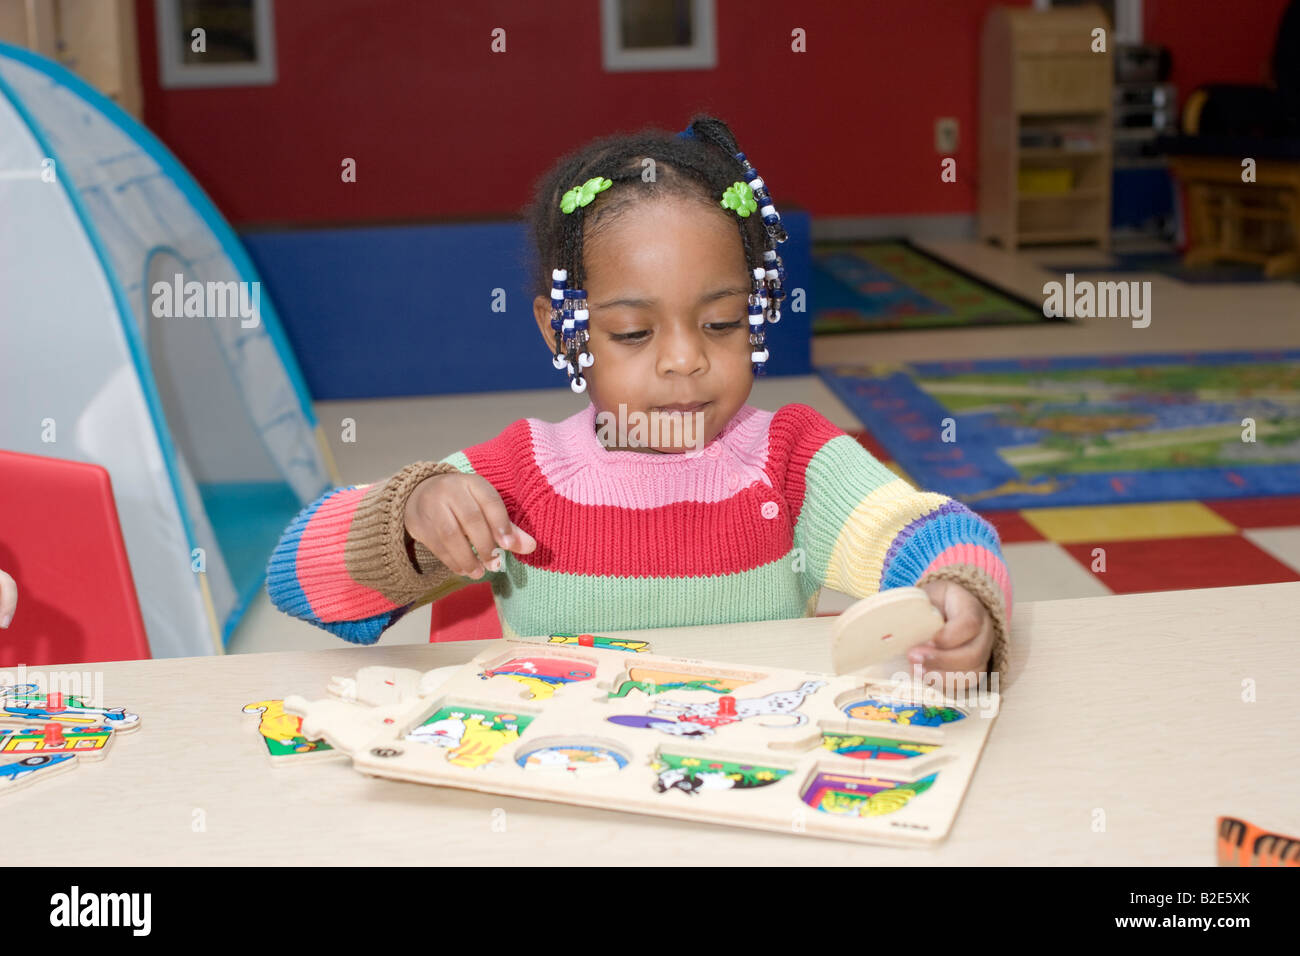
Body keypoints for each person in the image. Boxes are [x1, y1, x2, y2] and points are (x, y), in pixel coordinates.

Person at [266, 115, 1011, 685]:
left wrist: (959, 593)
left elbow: (926, 531)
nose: (686, 359)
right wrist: (410, 515)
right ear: (563, 332)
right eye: (631, 332)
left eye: (721, 323)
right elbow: (302, 584)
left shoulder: (792, 462)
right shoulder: (519, 479)